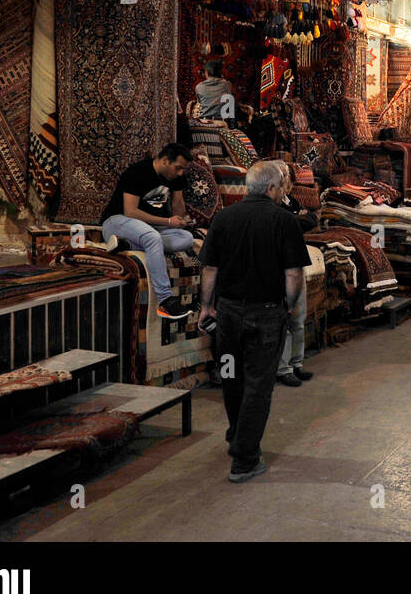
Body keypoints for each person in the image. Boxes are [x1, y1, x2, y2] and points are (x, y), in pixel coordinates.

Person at [198, 160, 308, 483]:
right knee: (259, 383)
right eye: (281, 186)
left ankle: (237, 435)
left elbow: (209, 270)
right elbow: (293, 273)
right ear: (272, 188)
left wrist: (206, 307)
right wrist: (290, 307)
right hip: (267, 315)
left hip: (229, 316)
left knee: (231, 376)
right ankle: (244, 459)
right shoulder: (284, 221)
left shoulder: (223, 218)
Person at [101, 142, 197, 320]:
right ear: (165, 160)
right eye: (178, 168)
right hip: (117, 222)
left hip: (148, 229)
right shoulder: (138, 171)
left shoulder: (176, 176)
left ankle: (126, 245)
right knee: (153, 238)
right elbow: (131, 212)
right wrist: (168, 221)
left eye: (183, 169)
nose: (180, 173)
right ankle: (165, 300)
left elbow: (177, 206)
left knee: (187, 238)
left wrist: (183, 220)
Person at [271, 162, 314, 387]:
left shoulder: (291, 202)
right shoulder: (273, 205)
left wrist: (298, 218)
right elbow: (292, 222)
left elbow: (311, 220)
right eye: (283, 176)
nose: (287, 180)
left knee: (298, 318)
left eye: (288, 175)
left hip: (297, 262)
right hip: (282, 265)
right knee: (286, 317)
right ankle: (283, 368)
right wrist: (298, 218)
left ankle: (297, 363)